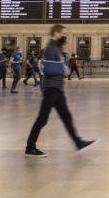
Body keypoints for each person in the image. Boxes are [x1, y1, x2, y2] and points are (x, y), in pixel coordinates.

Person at [25, 24, 98, 158]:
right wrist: (63, 69)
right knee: (43, 119)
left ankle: (78, 142)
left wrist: (63, 58)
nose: (66, 36)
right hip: (51, 88)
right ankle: (30, 147)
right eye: (64, 33)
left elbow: (63, 68)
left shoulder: (57, 48)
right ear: (56, 33)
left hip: (57, 88)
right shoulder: (50, 48)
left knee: (66, 117)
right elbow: (50, 69)